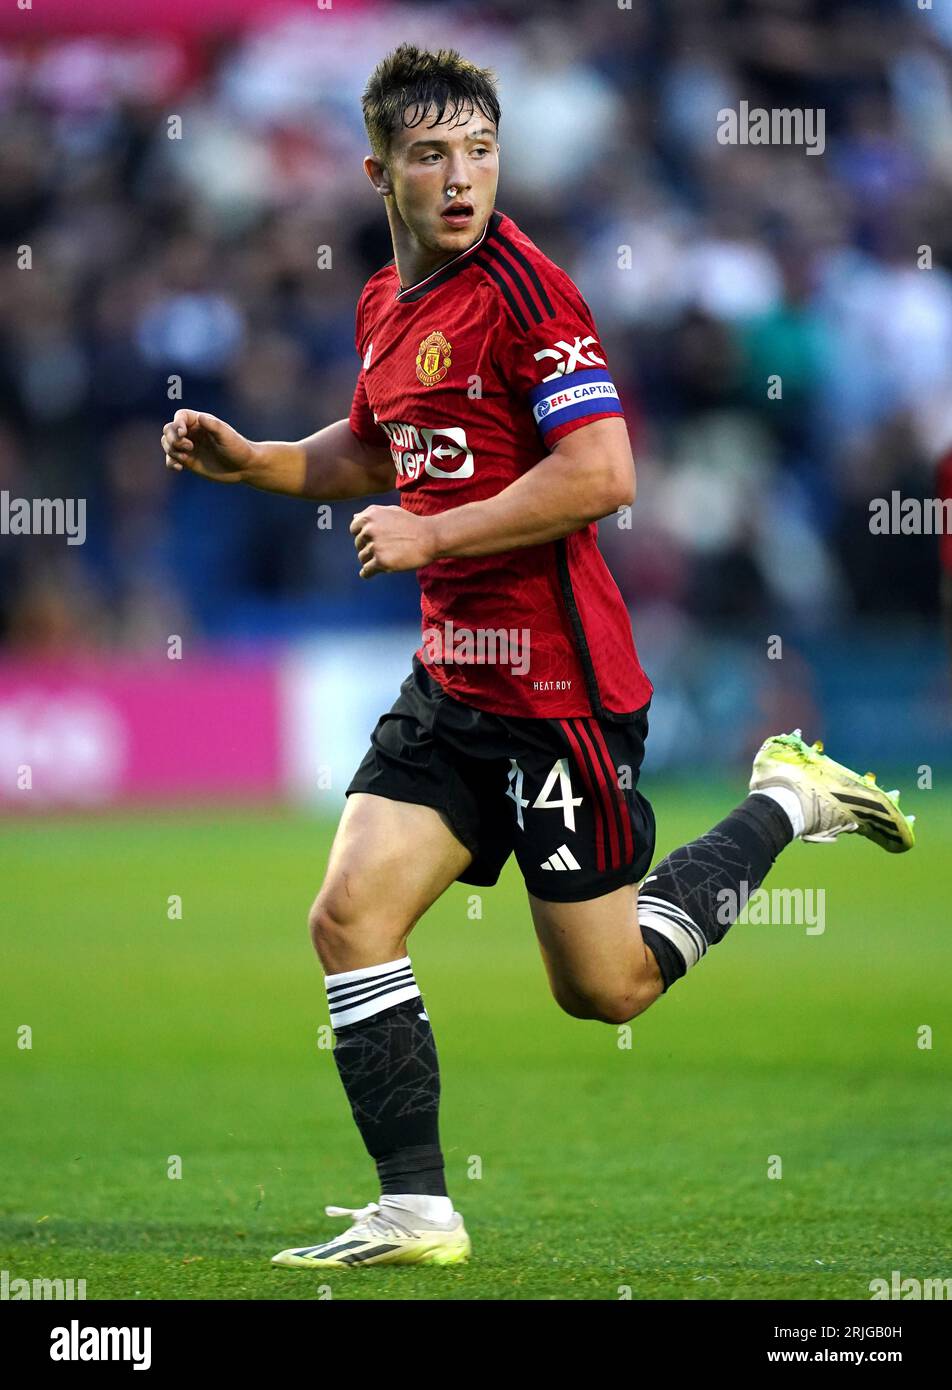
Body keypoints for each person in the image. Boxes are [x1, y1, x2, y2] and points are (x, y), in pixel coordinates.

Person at [161, 44, 915, 1270]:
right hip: (453, 679)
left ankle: (786, 798)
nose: (462, 178)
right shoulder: (384, 301)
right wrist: (257, 461)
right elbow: (381, 447)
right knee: (349, 915)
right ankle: (417, 1210)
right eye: (431, 156)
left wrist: (431, 534)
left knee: (605, 989)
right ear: (379, 174)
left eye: (480, 151)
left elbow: (602, 473)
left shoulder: (528, 295)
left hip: (560, 693)